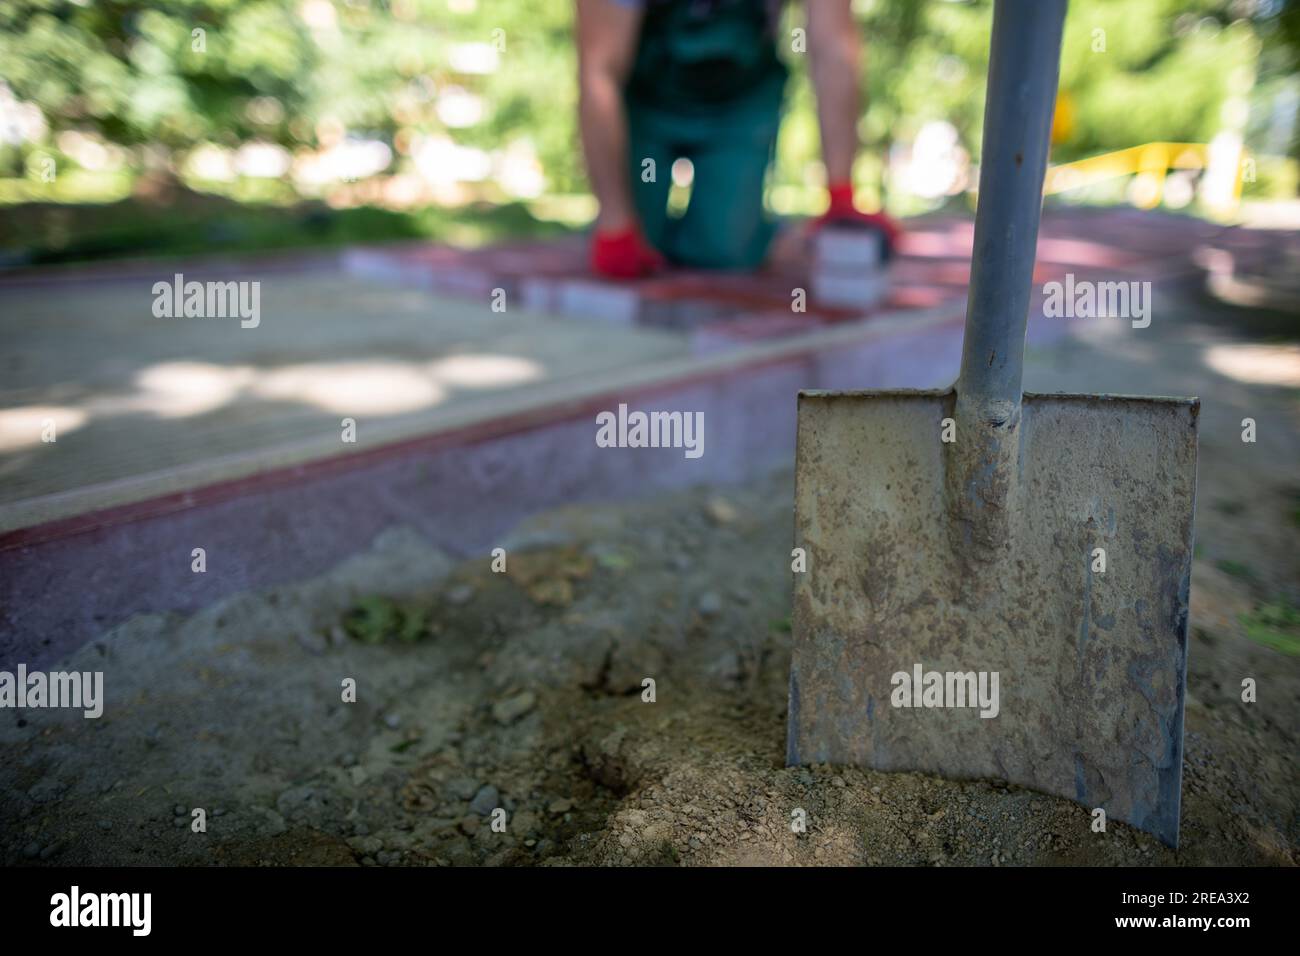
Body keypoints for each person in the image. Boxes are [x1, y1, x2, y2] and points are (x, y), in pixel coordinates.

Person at [576, 0, 899, 280]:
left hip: (740, 108)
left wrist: (840, 193)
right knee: (639, 239)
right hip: (647, 107)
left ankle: (752, 226)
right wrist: (614, 221)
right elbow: (599, 69)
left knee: (726, 254)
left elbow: (833, 46)